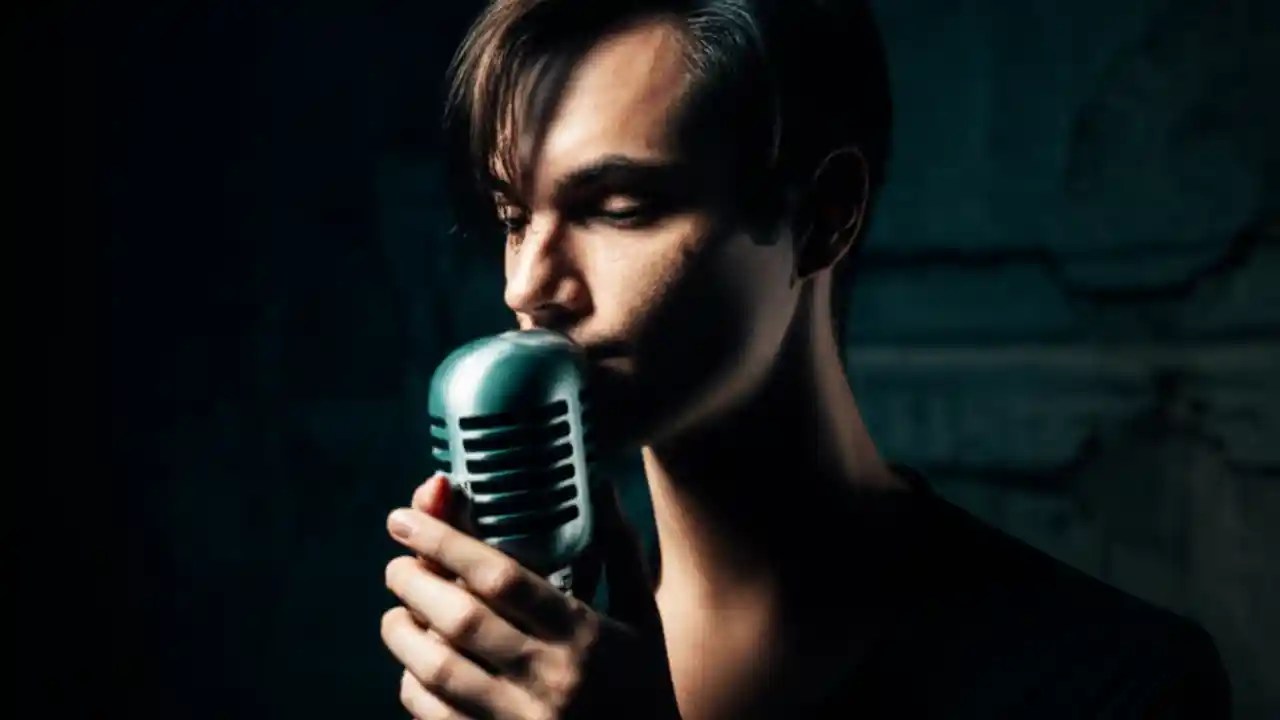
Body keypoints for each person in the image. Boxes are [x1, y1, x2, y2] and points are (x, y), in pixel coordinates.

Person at [378, 1, 1232, 717]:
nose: (530, 285)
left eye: (619, 208)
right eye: (512, 218)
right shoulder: (494, 677)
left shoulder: (1118, 685)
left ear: (824, 216)